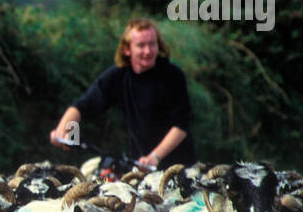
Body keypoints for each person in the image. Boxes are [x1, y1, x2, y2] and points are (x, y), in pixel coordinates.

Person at [49, 17, 196, 169]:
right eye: (141, 45)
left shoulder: (173, 75)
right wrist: (63, 131)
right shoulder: (117, 76)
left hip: (179, 168)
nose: (148, 51)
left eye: (152, 44)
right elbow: (82, 107)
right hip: (139, 166)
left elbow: (181, 125)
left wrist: (154, 156)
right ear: (127, 49)